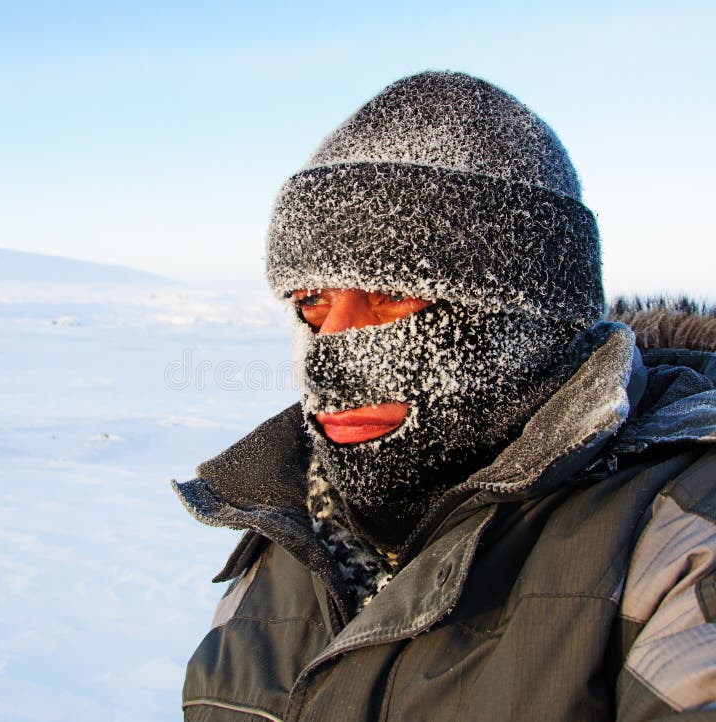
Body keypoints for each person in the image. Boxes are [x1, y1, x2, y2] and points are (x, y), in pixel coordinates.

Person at [172, 71, 716, 720]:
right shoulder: (289, 538)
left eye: (389, 294)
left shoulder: (677, 538)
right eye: (313, 302)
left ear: (532, 315)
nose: (330, 352)